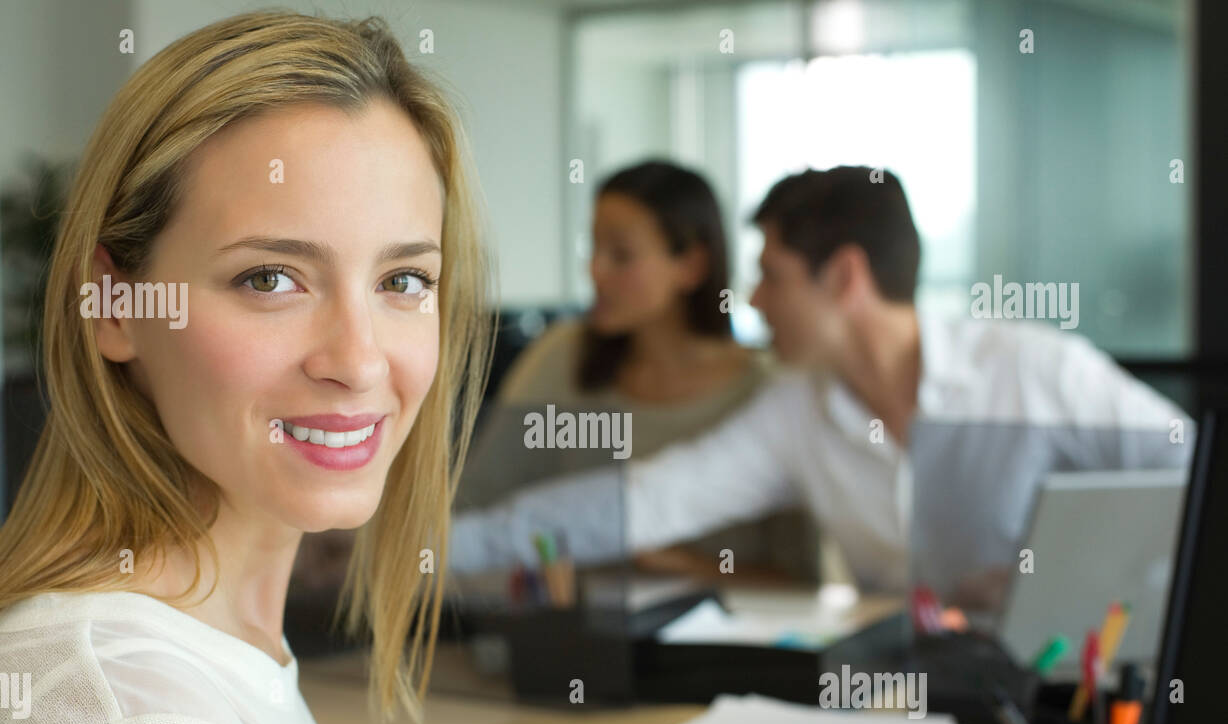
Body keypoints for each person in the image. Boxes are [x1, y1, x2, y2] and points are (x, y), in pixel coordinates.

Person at [0, 12, 494, 724]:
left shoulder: (197, 645)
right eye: (270, 278)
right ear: (114, 304)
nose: (358, 358)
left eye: (403, 279)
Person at [450, 166, 1191, 606]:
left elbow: (1196, 480)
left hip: (1089, 699)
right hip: (927, 707)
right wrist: (437, 548)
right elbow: (645, 500)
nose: (756, 300)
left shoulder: (1034, 370)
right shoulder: (795, 412)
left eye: (772, 276)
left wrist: (1070, 576)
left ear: (844, 278)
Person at [457, 159, 819, 583]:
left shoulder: (771, 395)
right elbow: (471, 506)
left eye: (621, 255)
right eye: (593, 250)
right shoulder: (561, 358)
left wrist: (685, 566)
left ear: (692, 266)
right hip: (568, 638)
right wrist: (532, 574)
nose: (595, 271)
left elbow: (804, 585)